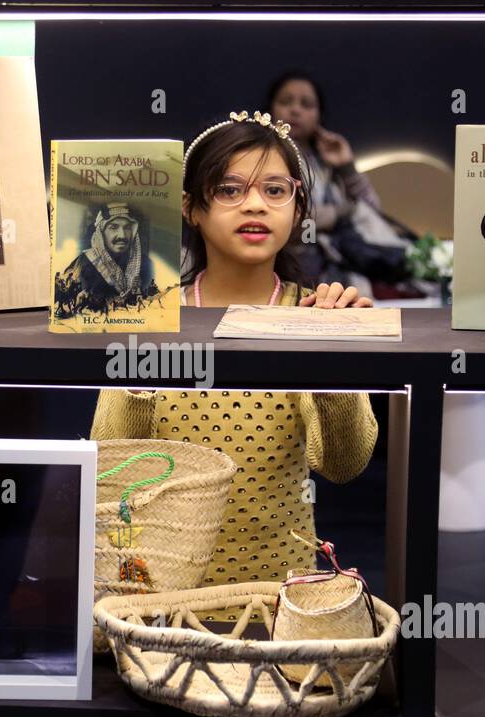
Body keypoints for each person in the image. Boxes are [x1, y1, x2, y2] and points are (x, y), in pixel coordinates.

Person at [90, 110, 378, 619]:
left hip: (278, 601)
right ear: (191, 208)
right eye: (229, 190)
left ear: (298, 207)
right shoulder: (152, 313)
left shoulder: (310, 314)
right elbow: (112, 458)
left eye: (275, 190)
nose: (254, 205)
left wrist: (335, 357)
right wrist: (140, 372)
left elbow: (342, 463)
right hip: (159, 598)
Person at [267, 72, 421, 297]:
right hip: (290, 270)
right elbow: (283, 219)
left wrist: (346, 167)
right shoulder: (265, 158)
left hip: (347, 270)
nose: (295, 110)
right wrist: (338, 214)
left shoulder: (325, 161)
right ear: (271, 109)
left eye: (306, 104)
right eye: (286, 102)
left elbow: (371, 213)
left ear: (319, 116)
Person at [53, 201, 156, 318]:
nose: (122, 235)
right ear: (101, 233)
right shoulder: (83, 262)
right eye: (113, 227)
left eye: (127, 227)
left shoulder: (145, 264)